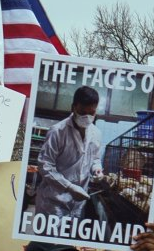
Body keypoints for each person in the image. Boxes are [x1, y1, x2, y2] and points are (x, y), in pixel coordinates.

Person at [31, 85, 103, 220]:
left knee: (68, 240)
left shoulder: (96, 133)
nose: (87, 117)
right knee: (48, 240)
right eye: (82, 112)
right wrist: (69, 187)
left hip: (78, 204)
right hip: (54, 203)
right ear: (73, 107)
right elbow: (45, 166)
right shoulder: (58, 131)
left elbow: (95, 158)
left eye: (91, 113)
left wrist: (97, 169)